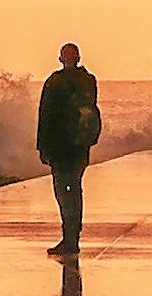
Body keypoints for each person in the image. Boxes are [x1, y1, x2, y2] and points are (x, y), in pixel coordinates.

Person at [35, 40, 102, 255]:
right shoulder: (88, 80)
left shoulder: (54, 82)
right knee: (74, 188)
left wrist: (42, 146)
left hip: (61, 146)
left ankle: (69, 237)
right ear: (78, 58)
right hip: (79, 144)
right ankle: (73, 237)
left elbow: (45, 115)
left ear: (61, 59)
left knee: (62, 190)